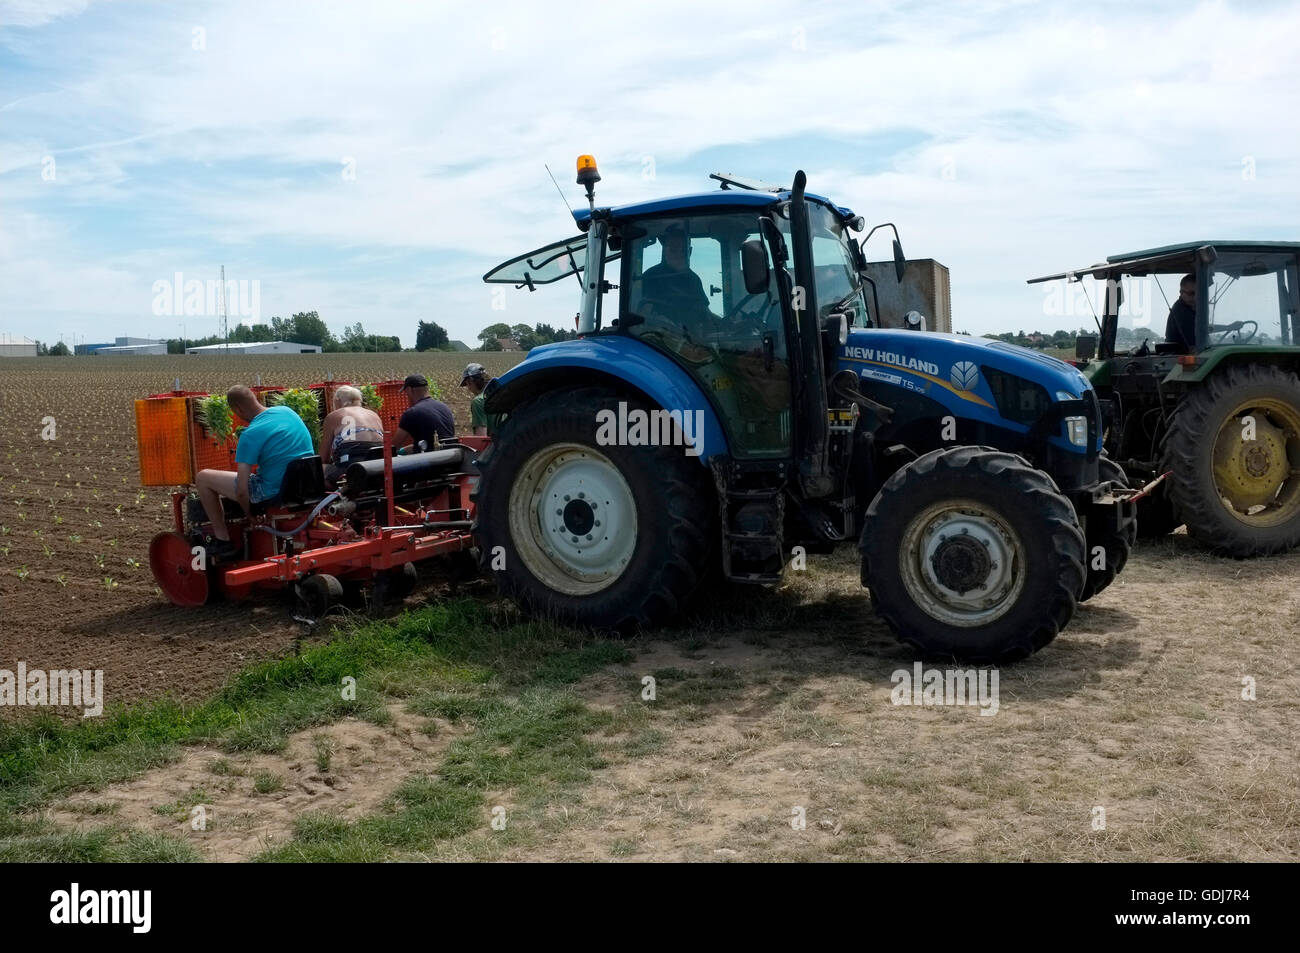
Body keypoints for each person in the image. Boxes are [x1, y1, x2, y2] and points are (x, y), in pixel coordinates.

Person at [195, 385, 315, 558]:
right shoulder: (287, 412)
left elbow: (242, 490)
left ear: (237, 409)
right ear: (255, 398)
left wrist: (249, 513)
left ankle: (223, 540)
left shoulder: (250, 434)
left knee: (203, 477)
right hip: (305, 484)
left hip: (274, 492)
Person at [640, 225, 712, 321]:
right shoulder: (651, 277)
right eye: (673, 249)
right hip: (662, 334)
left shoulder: (693, 279)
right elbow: (643, 314)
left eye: (683, 250)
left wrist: (723, 325)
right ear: (665, 251)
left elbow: (705, 311)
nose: (679, 254)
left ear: (690, 251)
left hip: (692, 334)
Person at [320, 385, 385, 485]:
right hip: (379, 466)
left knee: (318, 470)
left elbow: (324, 457)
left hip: (351, 468)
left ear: (337, 401)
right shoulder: (374, 415)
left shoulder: (334, 416)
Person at [393, 374, 454, 453]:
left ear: (410, 390)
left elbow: (393, 446)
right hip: (450, 456)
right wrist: (404, 450)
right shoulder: (445, 408)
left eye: (406, 393)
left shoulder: (412, 413)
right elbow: (429, 443)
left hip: (429, 461)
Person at [460, 362, 505, 436]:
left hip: (495, 445)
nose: (469, 389)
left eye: (467, 384)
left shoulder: (478, 402)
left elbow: (481, 437)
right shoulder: (501, 394)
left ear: (470, 381)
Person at [1165, 273, 1198, 352]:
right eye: (1191, 293)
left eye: (1199, 293)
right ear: (1181, 292)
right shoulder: (1182, 313)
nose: (1196, 297)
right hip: (1181, 358)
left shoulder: (1191, 309)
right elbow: (1194, 347)